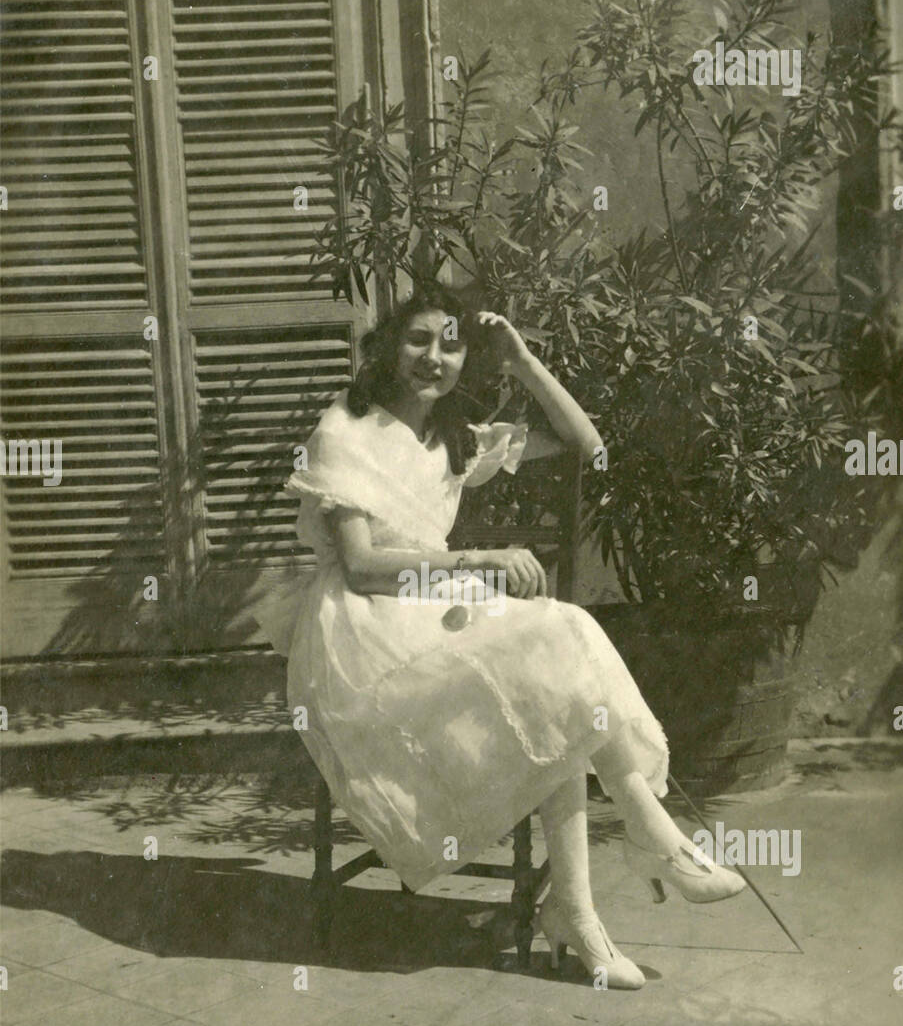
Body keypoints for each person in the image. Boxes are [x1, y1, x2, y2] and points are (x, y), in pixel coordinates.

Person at [256, 284, 744, 989]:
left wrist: (519, 360)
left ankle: (585, 899)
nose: (434, 357)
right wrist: (477, 559)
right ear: (389, 346)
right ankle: (640, 849)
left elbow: (587, 445)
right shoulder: (344, 432)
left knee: (557, 653)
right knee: (554, 647)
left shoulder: (453, 438)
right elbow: (362, 571)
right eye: (419, 339)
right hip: (362, 638)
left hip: (434, 613)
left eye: (451, 344)